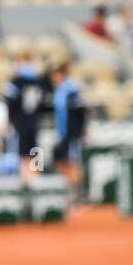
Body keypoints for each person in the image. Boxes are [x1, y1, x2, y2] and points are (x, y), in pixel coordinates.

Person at [3, 53, 45, 178]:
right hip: (34, 122)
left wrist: (10, 119)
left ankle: (26, 179)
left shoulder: (16, 82)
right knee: (35, 150)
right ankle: (36, 176)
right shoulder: (38, 81)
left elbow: (10, 103)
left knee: (22, 152)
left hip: (21, 122)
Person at [50, 61, 86, 191]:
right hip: (63, 132)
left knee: (74, 161)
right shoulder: (59, 91)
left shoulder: (71, 90)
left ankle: (77, 190)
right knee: (60, 159)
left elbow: (80, 112)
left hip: (72, 132)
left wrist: (80, 130)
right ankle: (70, 186)